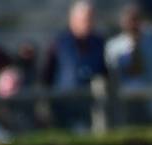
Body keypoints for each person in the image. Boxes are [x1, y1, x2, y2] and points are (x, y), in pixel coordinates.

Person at [42, 1, 107, 129]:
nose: (88, 23)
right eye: (84, 19)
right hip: (64, 104)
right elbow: (47, 75)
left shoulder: (99, 43)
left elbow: (104, 72)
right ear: (73, 19)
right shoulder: (59, 43)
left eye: (91, 19)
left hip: (91, 105)